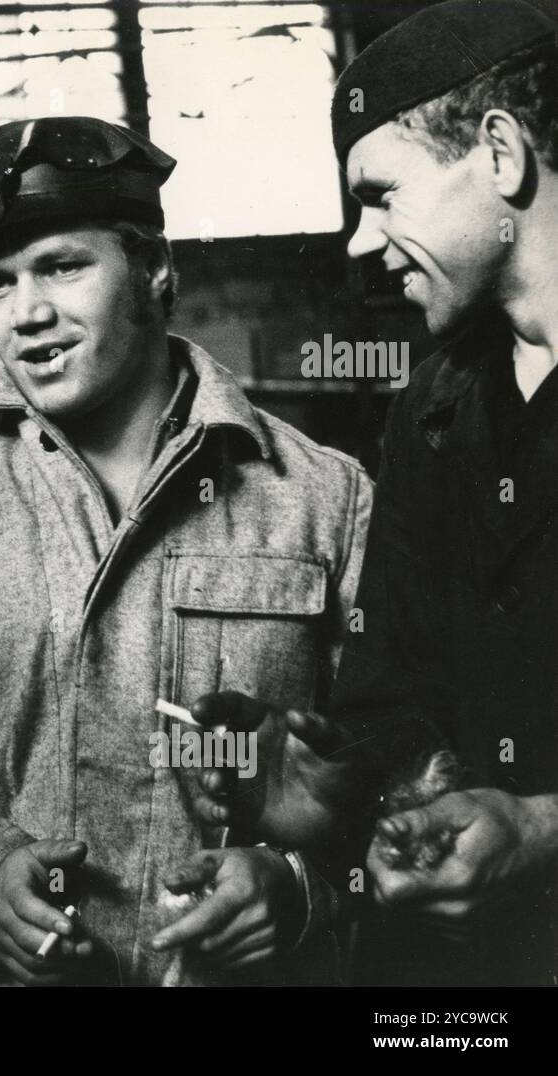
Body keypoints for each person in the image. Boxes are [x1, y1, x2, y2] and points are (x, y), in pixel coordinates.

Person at [0, 116, 373, 985]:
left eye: (62, 266)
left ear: (154, 269)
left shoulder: (323, 499)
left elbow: (407, 766)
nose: (29, 314)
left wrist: (300, 886)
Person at [189, 0, 558, 987]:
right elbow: (395, 691)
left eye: (381, 194)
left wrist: (543, 828)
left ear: (499, 153)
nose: (359, 241)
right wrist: (358, 785)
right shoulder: (430, 410)